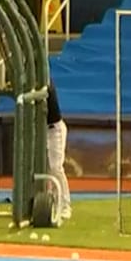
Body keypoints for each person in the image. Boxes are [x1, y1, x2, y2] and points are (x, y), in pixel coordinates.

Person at [46, 80, 71, 224]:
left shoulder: (47, 83)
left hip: (54, 130)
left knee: (56, 168)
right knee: (45, 168)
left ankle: (65, 205)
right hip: (41, 129)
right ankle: (49, 203)